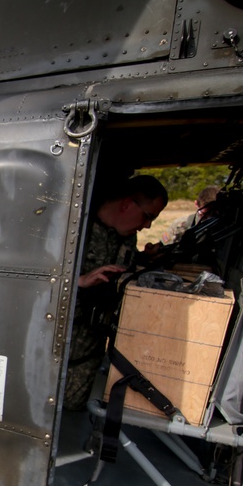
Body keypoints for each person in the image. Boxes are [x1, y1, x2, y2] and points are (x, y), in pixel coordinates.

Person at [64, 174, 168, 411]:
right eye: (148, 216)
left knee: (76, 413)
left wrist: (144, 258)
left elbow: (116, 267)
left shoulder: (126, 236)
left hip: (88, 355)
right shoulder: (73, 227)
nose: (148, 225)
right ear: (127, 204)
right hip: (54, 355)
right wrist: (77, 281)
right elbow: (29, 276)